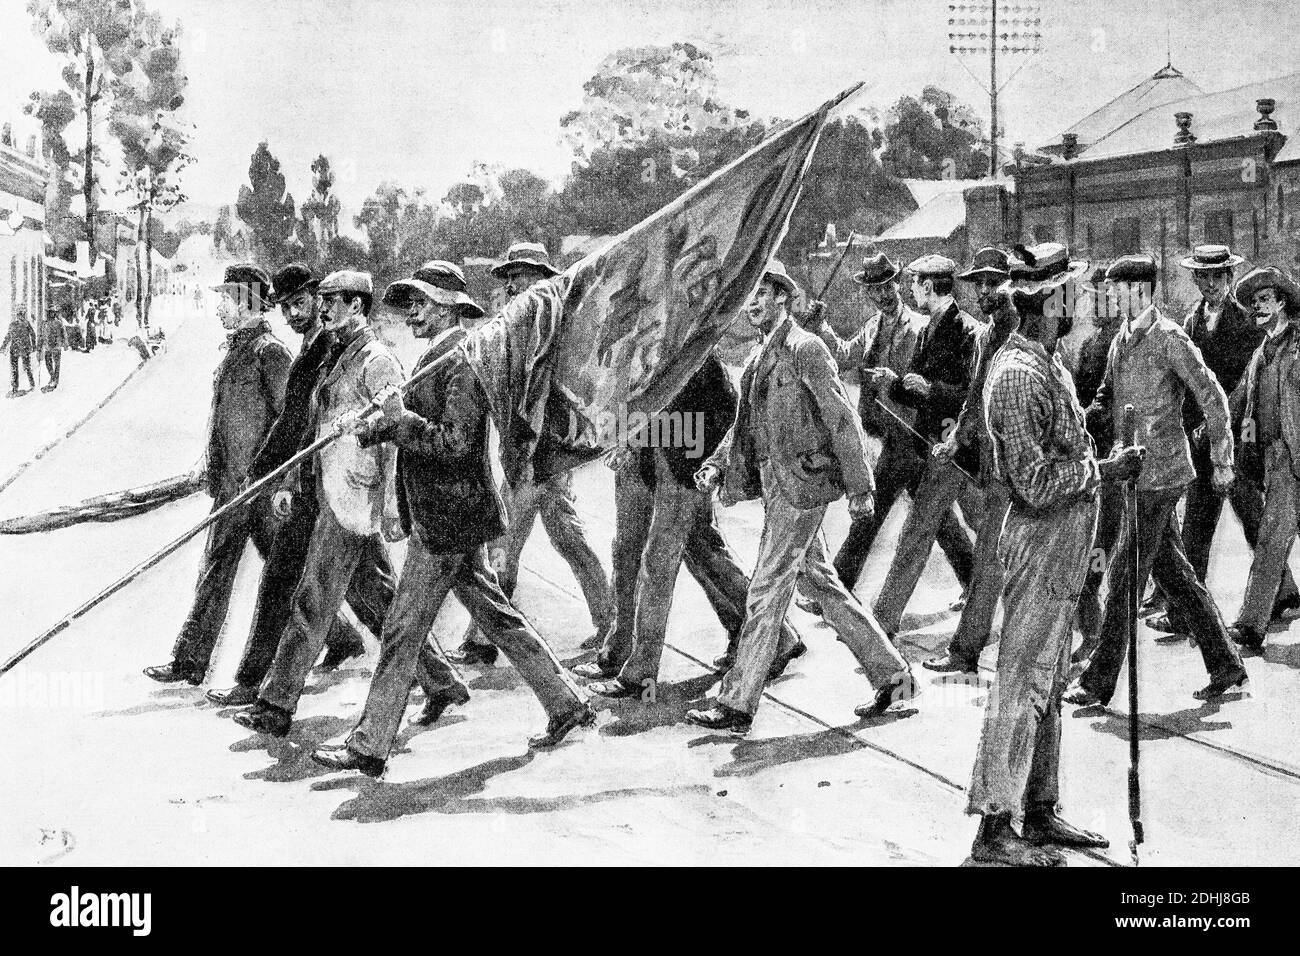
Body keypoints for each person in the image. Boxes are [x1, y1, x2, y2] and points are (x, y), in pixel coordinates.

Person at [310, 274, 592, 775]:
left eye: (421, 304)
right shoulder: (437, 355)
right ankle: (567, 703)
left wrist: (399, 421)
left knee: (402, 628)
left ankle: (369, 745)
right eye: (410, 305)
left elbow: (454, 443)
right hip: (451, 515)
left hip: (448, 518)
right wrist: (375, 425)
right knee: (498, 616)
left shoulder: (461, 360)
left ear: (448, 307)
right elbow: (414, 423)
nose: (412, 314)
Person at [686, 262, 918, 735]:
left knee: (766, 588)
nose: (752, 304)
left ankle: (737, 702)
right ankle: (895, 678)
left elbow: (841, 418)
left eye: (763, 295)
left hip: (803, 487)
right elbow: (744, 426)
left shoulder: (806, 348)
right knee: (821, 585)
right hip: (777, 485)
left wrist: (859, 486)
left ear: (785, 299)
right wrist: (715, 464)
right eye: (749, 297)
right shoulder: (757, 358)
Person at [967, 254, 1139, 867]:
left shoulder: (1048, 363)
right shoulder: (1016, 373)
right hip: (1039, 545)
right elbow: (1036, 482)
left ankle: (1038, 811)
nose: (1083, 304)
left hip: (1064, 548)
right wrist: (1102, 469)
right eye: (1074, 294)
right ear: (1051, 303)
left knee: (1049, 680)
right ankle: (993, 830)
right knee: (1019, 683)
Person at [232, 270, 409, 736]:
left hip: (355, 494)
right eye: (323, 300)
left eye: (332, 301)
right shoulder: (335, 353)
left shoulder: (378, 361)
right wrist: (291, 478)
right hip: (326, 487)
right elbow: (310, 428)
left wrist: (391, 504)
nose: (323, 308)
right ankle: (441, 681)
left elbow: (395, 437)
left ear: (357, 305)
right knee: (378, 600)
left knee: (312, 598)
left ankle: (275, 704)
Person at [1067, 254, 1248, 706]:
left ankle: (1096, 682)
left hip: (1164, 473)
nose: (1110, 295)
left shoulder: (1170, 338)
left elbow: (1212, 394)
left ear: (1141, 290)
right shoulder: (1122, 339)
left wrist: (1223, 458)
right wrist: (1078, 425)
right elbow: (1108, 396)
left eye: (1118, 288)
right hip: (1133, 473)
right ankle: (1226, 665)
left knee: (1126, 574)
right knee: (1174, 573)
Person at [574, 351, 806, 698]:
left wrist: (701, 464)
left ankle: (640, 672)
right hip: (641, 464)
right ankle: (619, 649)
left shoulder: (704, 359)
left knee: (659, 564)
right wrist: (622, 438)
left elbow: (727, 419)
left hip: (682, 474)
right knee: (636, 555)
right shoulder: (643, 344)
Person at [204, 264, 378, 707]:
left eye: (300, 303)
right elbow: (291, 423)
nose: (293, 314)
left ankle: (261, 688)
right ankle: (257, 684)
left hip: (328, 486)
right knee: (294, 579)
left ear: (321, 300)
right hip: (309, 485)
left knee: (359, 588)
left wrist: (279, 476)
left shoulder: (330, 347)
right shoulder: (311, 347)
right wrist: (266, 472)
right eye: (285, 307)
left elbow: (304, 424)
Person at [451, 241, 615, 664]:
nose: (509, 285)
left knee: (505, 543)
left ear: (540, 276)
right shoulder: (528, 321)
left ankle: (482, 638)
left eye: (517, 275)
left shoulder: (550, 318)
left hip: (539, 453)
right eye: (507, 277)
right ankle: (611, 621)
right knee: (569, 539)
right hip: (538, 453)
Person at [144, 265, 292, 685]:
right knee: (217, 567)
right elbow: (226, 419)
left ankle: (339, 638)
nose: (217, 309)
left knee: (285, 573)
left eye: (224, 300)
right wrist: (214, 464)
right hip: (232, 486)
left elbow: (290, 422)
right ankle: (190, 662)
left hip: (261, 488)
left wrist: (280, 481)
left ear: (245, 302)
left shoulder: (270, 352)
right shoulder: (238, 350)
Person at [1145, 246, 1299, 635]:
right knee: (1206, 523)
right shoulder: (1192, 321)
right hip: (1215, 440)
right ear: (1196, 279)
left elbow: (1251, 390)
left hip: (1246, 441)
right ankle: (1198, 611)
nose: (1210, 283)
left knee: (1259, 523)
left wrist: (1235, 436)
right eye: (1203, 276)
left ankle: (1276, 595)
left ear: (1229, 278)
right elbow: (1205, 386)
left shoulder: (1253, 326)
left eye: (1218, 276)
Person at [801, 252, 974, 596]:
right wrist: (820, 327)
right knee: (937, 518)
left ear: (896, 284)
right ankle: (972, 580)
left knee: (873, 512)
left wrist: (897, 384)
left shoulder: (921, 327)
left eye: (885, 286)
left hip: (911, 435)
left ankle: (839, 588)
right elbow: (844, 355)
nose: (881, 295)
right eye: (873, 290)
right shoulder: (872, 327)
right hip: (890, 434)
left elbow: (925, 383)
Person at [920, 246, 1032, 673]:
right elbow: (974, 395)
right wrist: (957, 440)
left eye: (993, 282)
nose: (985, 290)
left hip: (1018, 457)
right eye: (979, 283)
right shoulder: (987, 334)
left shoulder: (1017, 327)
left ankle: (965, 652)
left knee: (995, 555)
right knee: (1002, 553)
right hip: (995, 460)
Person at [870, 253, 984, 638]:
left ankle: (883, 619)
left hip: (959, 450)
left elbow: (974, 394)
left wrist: (931, 389)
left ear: (929, 287)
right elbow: (918, 391)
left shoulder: (970, 331)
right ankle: (886, 617)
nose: (910, 290)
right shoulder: (927, 329)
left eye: (915, 283)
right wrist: (897, 383)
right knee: (949, 530)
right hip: (934, 449)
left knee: (927, 532)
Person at [1227, 267, 1300, 651]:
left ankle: (1253, 624)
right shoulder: (1261, 354)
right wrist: (1240, 440)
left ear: (1282, 302)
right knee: (1272, 537)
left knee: (1272, 537)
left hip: (1295, 454)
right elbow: (1247, 405)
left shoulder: (1298, 348)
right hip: (1276, 459)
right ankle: (1257, 621)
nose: (1257, 308)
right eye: (1253, 303)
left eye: (1264, 300)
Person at [3, 306, 37, 395]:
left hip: (24, 349)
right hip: (15, 349)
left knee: (27, 367)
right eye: (19, 314)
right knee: (15, 369)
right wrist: (3, 346)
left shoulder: (26, 324)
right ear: (17, 315)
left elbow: (33, 334)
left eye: (22, 314)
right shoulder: (13, 325)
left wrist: (34, 345)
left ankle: (32, 384)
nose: (21, 316)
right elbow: (8, 336)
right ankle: (15, 387)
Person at [38, 308, 67, 390]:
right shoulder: (45, 323)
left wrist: (65, 343)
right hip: (47, 346)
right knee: (48, 363)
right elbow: (41, 335)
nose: (51, 313)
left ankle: (55, 380)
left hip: (57, 346)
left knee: (57, 364)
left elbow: (64, 333)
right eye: (50, 312)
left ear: (55, 313)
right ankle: (52, 376)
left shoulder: (59, 323)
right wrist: (39, 347)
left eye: (53, 312)